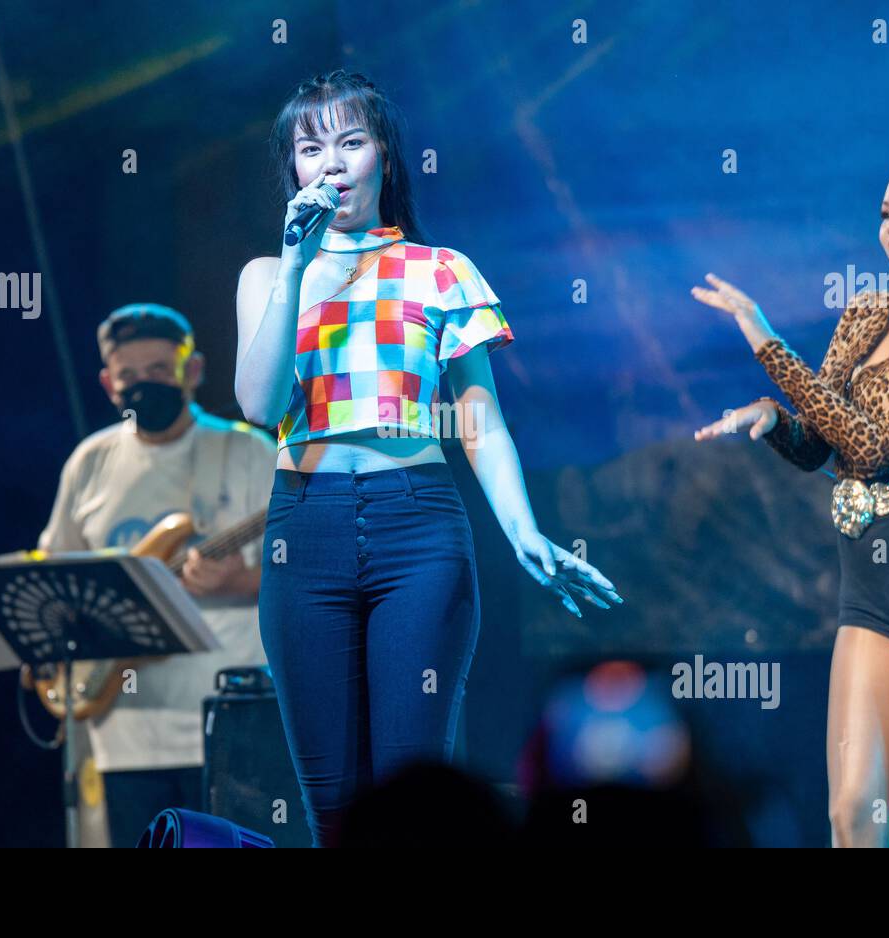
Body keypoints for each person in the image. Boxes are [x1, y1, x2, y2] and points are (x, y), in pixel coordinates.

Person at [234, 69, 623, 846]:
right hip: (303, 530)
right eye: (312, 149)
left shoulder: (439, 269)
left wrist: (523, 532)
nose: (332, 164)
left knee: (416, 803)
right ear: (294, 169)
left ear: (385, 155)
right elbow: (258, 405)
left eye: (352, 141)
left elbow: (481, 420)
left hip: (418, 527)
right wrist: (298, 266)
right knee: (333, 808)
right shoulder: (270, 276)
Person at [691, 148, 889, 847]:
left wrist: (768, 343)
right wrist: (778, 422)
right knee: (855, 813)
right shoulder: (867, 311)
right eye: (885, 212)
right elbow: (824, 444)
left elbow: (871, 448)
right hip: (868, 583)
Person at [38, 303, 277, 846]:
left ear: (193, 371)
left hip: (223, 728)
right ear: (108, 383)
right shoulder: (89, 462)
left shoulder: (247, 451)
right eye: (129, 376)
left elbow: (304, 576)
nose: (144, 385)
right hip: (123, 730)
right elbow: (56, 576)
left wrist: (238, 581)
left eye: (159, 371)